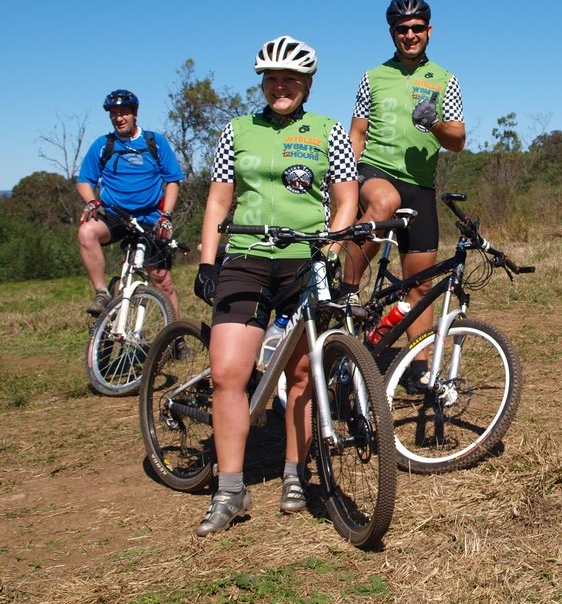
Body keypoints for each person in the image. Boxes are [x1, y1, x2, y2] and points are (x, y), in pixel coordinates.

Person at [192, 35, 359, 536]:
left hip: (305, 260)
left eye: (290, 80)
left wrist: (332, 245)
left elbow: (345, 198)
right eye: (272, 79)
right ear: (262, 83)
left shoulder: (328, 132)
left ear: (307, 85)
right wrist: (208, 259)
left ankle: (294, 473)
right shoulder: (236, 131)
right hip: (245, 257)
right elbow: (219, 202)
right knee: (227, 373)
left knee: (305, 375)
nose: (280, 87)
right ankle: (230, 489)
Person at [342, 0, 466, 388]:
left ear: (429, 31)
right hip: (375, 171)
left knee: (421, 286)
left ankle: (420, 367)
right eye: (401, 29)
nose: (409, 35)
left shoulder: (446, 80)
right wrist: (344, 183)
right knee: (383, 201)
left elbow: (458, 139)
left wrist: (434, 124)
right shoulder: (372, 76)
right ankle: (342, 286)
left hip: (421, 186)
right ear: (392, 33)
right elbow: (357, 133)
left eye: (417, 28)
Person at [76, 89, 184, 317]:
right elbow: (84, 181)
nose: (119, 118)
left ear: (135, 114)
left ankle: (176, 338)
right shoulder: (104, 145)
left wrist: (167, 215)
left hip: (150, 217)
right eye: (114, 113)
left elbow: (173, 181)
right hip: (114, 215)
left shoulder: (154, 142)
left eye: (124, 112)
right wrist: (91, 202)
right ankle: (102, 293)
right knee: (87, 232)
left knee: (162, 282)